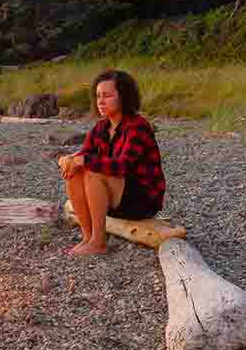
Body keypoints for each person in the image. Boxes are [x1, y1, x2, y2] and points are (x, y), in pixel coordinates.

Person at [58, 69, 166, 256]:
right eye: (98, 96)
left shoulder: (137, 126)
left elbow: (122, 166)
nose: (100, 101)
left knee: (93, 170)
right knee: (74, 173)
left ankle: (99, 243)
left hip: (143, 200)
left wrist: (83, 160)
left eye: (107, 95)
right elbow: (83, 155)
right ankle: (89, 237)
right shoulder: (101, 127)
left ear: (123, 97)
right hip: (116, 197)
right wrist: (67, 160)